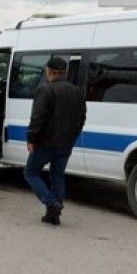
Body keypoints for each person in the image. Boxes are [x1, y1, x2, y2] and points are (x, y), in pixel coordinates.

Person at [23, 57, 87, 226]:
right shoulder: (77, 91)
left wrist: (31, 138)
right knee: (57, 176)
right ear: (65, 73)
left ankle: (51, 203)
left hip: (45, 143)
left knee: (31, 172)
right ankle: (53, 216)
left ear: (49, 71)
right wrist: (72, 138)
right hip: (66, 144)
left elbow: (37, 118)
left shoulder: (45, 89)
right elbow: (81, 119)